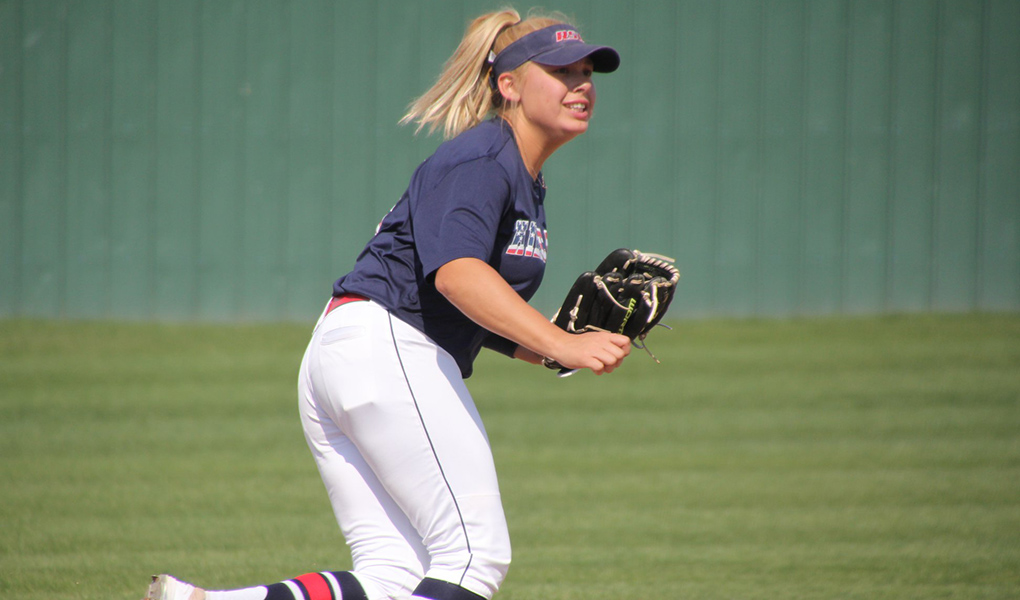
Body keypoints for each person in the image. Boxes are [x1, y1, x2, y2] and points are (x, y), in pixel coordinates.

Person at [146, 8, 627, 600]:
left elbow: (469, 304)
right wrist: (560, 342)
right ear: (509, 84)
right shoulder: (484, 158)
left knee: (393, 572)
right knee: (475, 555)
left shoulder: (515, 172)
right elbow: (457, 276)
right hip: (389, 347)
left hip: (357, 349)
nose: (581, 84)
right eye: (560, 71)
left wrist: (560, 347)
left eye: (587, 71)